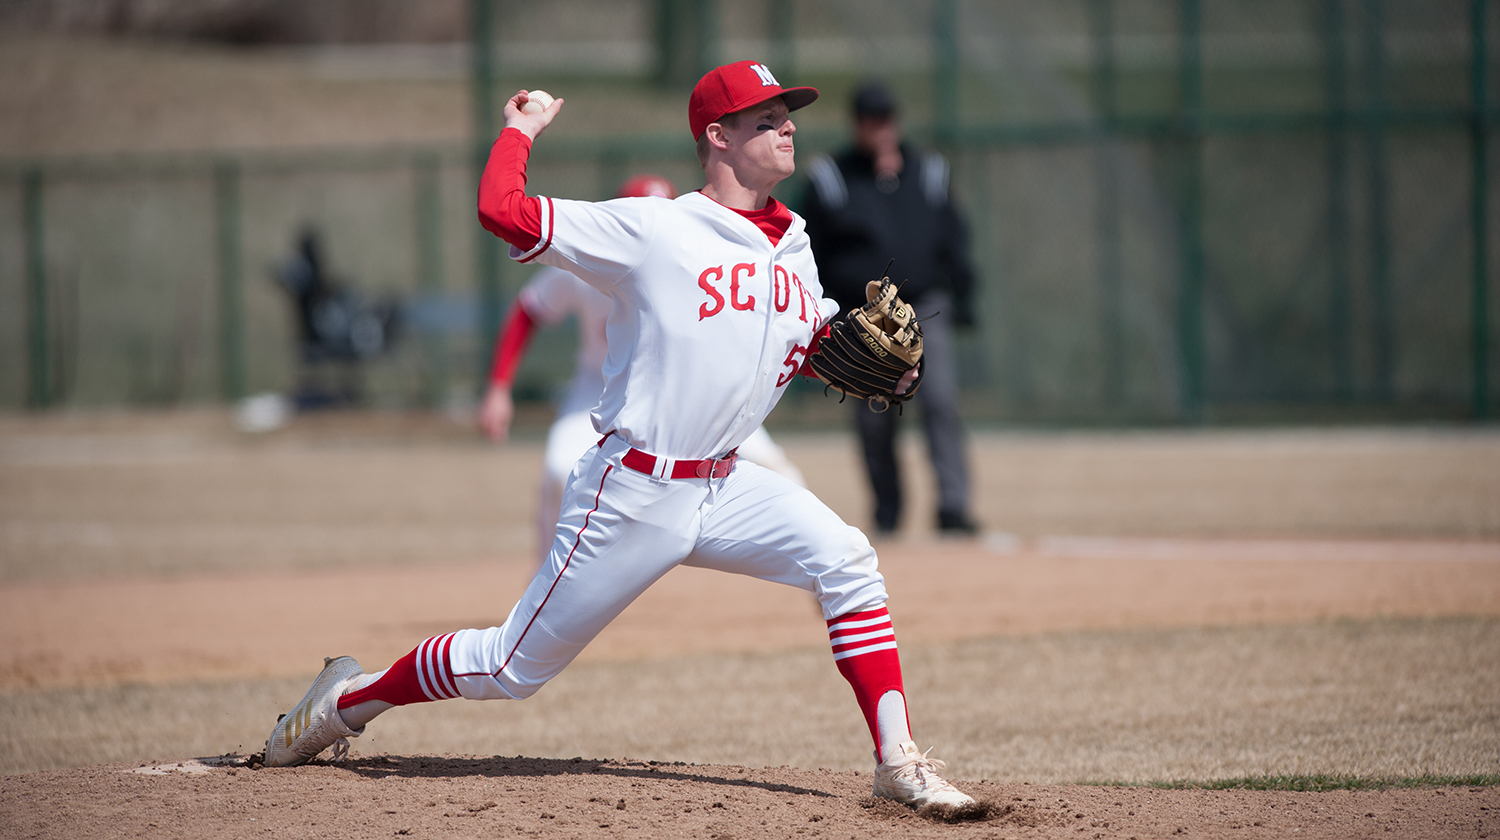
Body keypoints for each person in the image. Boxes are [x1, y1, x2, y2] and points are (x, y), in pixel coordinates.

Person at [264, 60, 974, 809]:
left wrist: (877, 368)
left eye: (786, 114)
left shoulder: (794, 245)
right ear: (718, 138)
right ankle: (346, 701)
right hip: (633, 490)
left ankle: (898, 763)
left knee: (848, 560)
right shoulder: (653, 228)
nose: (787, 126)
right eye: (765, 119)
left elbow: (780, 352)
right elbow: (503, 210)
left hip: (725, 485)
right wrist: (518, 131)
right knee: (510, 668)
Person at [479, 174, 806, 564]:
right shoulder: (583, 267)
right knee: (557, 469)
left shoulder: (698, 262)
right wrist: (499, 388)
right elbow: (529, 308)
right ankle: (545, 583)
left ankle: (819, 574)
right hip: (599, 392)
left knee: (772, 464)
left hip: (689, 392)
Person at [801, 80, 980, 537]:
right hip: (865, 317)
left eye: (886, 119)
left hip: (924, 306)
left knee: (940, 404)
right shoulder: (832, 178)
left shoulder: (929, 172)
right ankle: (887, 512)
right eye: (871, 120)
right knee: (875, 416)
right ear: (857, 124)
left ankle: (954, 509)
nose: (880, 128)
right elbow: (810, 249)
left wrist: (964, 294)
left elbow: (953, 237)